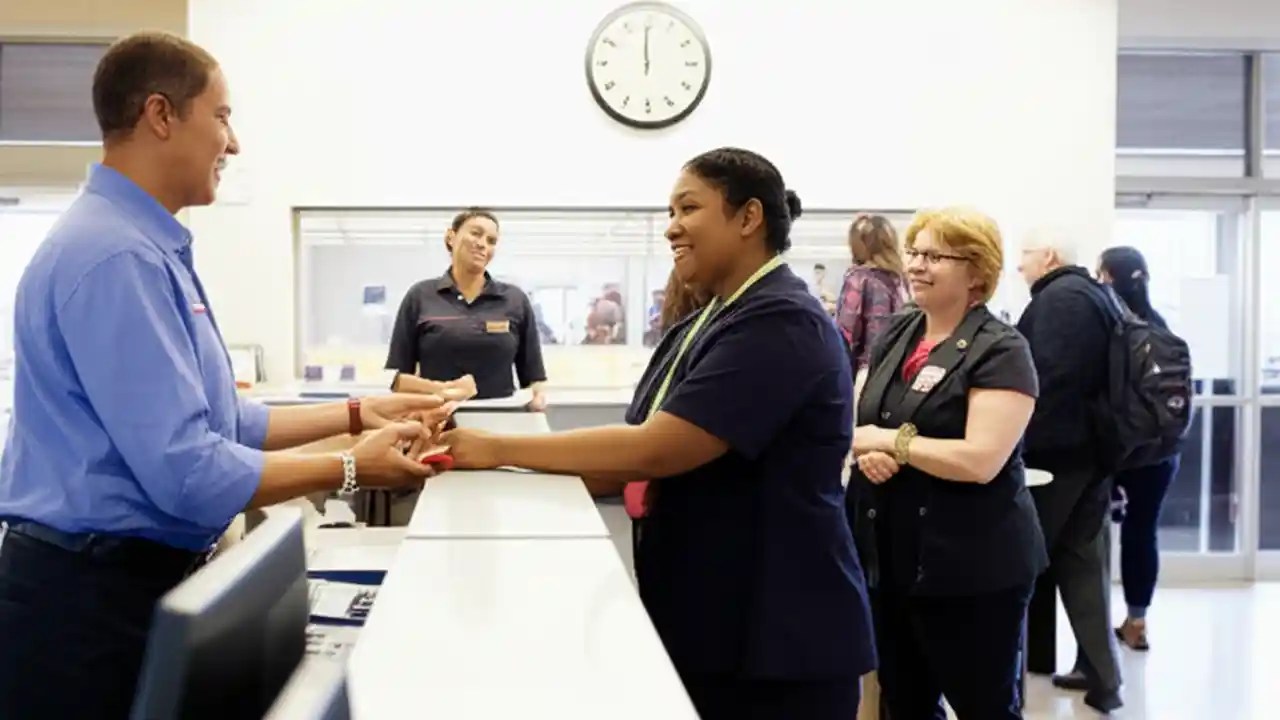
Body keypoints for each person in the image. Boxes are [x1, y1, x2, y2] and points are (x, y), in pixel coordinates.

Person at [0, 32, 457, 719]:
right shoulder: (114, 256)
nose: (233, 143)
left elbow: (226, 422)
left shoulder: (152, 247)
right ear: (161, 115)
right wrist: (352, 468)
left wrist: (366, 412)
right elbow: (187, 473)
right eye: (222, 116)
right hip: (85, 603)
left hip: (128, 583)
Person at [438, 147, 876, 719]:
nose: (671, 226)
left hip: (776, 636)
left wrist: (495, 447)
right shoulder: (706, 322)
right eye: (670, 210)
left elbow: (660, 447)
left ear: (748, 218)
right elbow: (630, 453)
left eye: (688, 208)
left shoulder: (782, 321)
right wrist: (501, 475)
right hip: (710, 619)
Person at [847, 207, 1047, 719]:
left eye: (935, 255)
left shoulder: (1002, 349)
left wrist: (892, 443)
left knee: (983, 706)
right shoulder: (897, 332)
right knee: (906, 702)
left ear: (977, 271)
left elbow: (981, 459)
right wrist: (871, 449)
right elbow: (860, 416)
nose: (916, 264)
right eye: (914, 251)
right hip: (889, 561)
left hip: (972, 568)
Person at [1016, 229, 1123, 713]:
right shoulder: (1093, 296)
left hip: (1056, 459)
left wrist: (1016, 445)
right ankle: (1102, 676)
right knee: (1083, 564)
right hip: (1092, 455)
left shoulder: (1060, 301)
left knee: (1023, 563)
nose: (1020, 265)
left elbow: (1050, 382)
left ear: (1051, 256)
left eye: (1025, 254)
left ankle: (1016, 675)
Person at [1097, 246, 1179, 652]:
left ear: (1108, 277)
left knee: (1097, 537)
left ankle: (1096, 632)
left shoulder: (1114, 327)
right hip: (1163, 451)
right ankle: (1137, 620)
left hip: (1123, 451)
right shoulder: (1161, 326)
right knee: (1142, 531)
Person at [386, 208, 548, 410]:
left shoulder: (514, 300)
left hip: (499, 427)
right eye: (476, 233)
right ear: (451, 237)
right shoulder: (420, 296)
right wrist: (443, 390)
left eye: (491, 241)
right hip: (436, 425)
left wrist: (538, 400)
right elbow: (396, 379)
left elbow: (534, 379)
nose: (482, 244)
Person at [836, 213, 908, 399]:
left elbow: (845, 336)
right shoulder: (901, 281)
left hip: (864, 376)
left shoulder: (859, 279)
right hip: (898, 375)